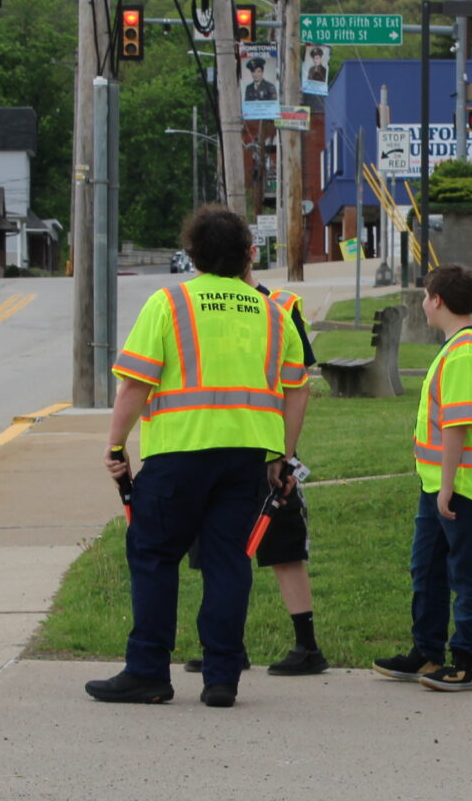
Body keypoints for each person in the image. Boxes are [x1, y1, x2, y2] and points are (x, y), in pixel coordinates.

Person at [89, 205, 309, 709]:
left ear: (192, 254)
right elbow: (297, 391)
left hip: (178, 454)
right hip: (247, 458)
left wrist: (115, 443)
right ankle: (222, 677)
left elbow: (135, 384)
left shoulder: (170, 303)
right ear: (248, 255)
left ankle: (148, 671)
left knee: (154, 555)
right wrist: (284, 457)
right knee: (228, 562)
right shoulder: (273, 312)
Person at [183, 257, 325, 677]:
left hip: (267, 452)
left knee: (282, 546)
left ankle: (307, 645)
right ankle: (227, 646)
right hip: (221, 447)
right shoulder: (208, 305)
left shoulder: (279, 305)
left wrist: (284, 454)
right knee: (217, 550)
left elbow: (298, 387)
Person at [372, 263, 472, 692]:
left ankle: (468, 661)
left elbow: (458, 425)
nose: (423, 304)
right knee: (426, 569)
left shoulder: (466, 352)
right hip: (439, 485)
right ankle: (426, 653)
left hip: (465, 487)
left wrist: (447, 486)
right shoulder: (456, 347)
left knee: (467, 574)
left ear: (438, 301)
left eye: (426, 296)